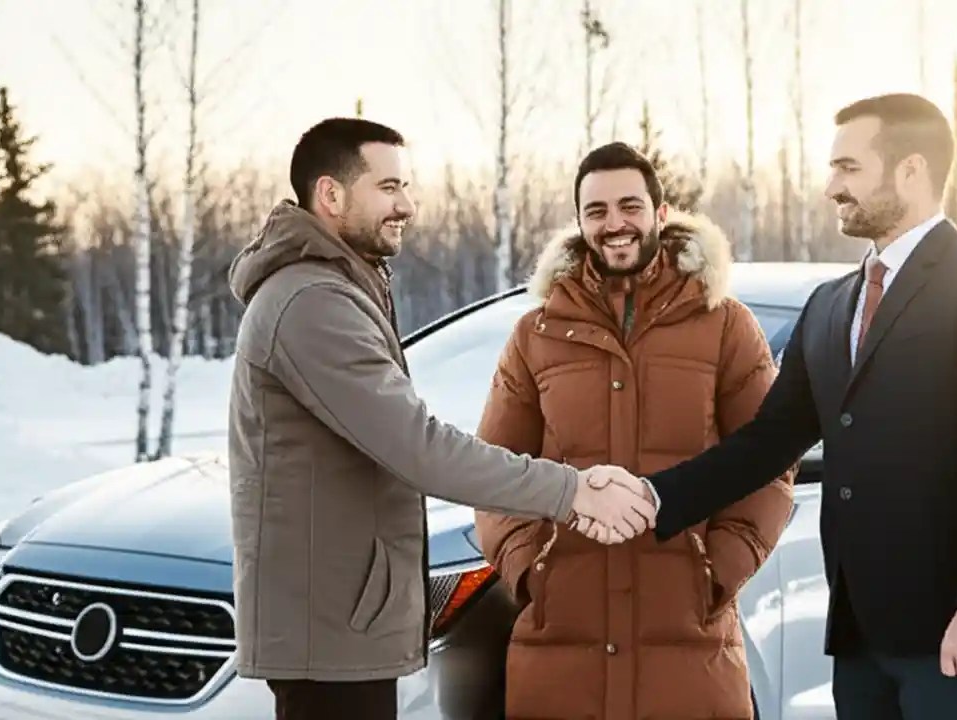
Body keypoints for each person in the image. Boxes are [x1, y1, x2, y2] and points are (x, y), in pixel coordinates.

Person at [621, 94, 957, 719]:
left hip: (955, 626)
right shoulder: (830, 304)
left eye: (848, 168)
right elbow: (769, 441)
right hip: (860, 628)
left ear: (911, 171)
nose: (832, 187)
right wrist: (654, 498)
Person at [226, 119, 653, 720]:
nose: (407, 205)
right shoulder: (311, 303)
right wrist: (573, 489)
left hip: (338, 621)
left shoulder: (336, 289)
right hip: (327, 632)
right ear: (331, 195)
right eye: (389, 186)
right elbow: (418, 447)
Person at [472, 141, 795, 720]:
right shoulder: (535, 333)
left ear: (660, 214)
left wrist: (717, 570)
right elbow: (494, 470)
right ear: (579, 224)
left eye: (630, 206)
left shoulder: (724, 324)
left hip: (686, 644)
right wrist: (529, 572)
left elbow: (771, 461)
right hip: (562, 645)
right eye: (596, 211)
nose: (614, 224)